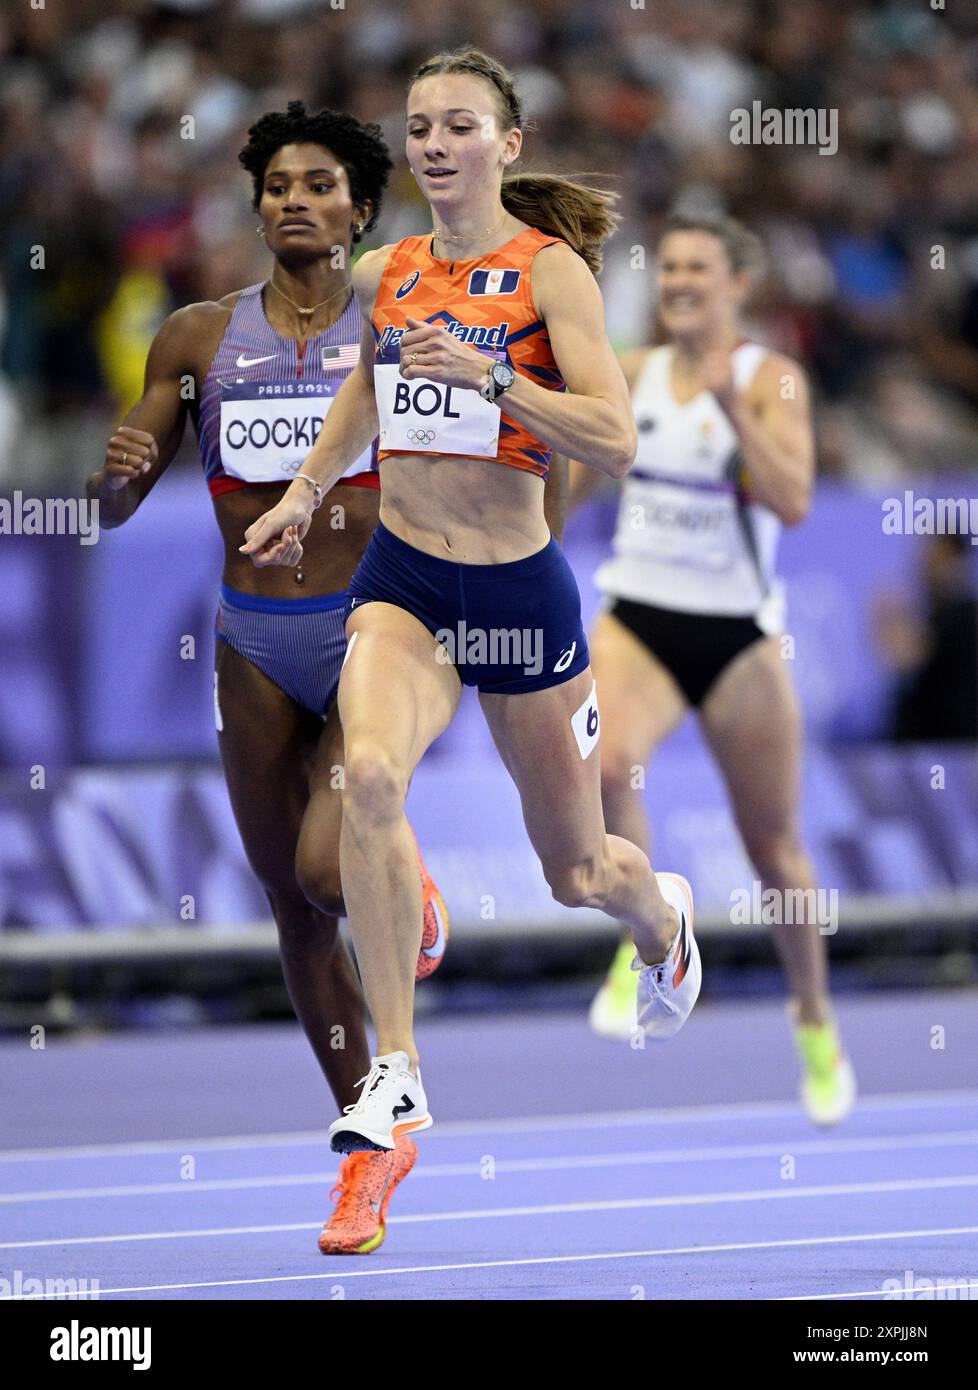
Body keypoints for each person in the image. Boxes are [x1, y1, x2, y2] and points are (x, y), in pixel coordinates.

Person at [241, 47, 700, 1154]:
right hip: (403, 579)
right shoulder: (385, 268)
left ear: (509, 144)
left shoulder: (552, 276)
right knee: (373, 781)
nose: (436, 145)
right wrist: (307, 490)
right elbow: (366, 384)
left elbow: (618, 439)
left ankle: (664, 925)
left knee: (577, 869)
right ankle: (396, 1070)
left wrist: (493, 378)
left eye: (459, 126)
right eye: (421, 127)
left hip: (518, 593)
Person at [86, 102, 451, 1253]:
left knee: (322, 864)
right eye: (278, 184)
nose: (294, 199)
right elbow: (113, 499)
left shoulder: (397, 323)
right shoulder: (197, 339)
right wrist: (119, 472)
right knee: (295, 920)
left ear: (359, 211)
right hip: (251, 645)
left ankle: (409, 889)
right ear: (257, 207)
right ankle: (366, 1146)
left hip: (374, 631)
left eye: (320, 185)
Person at [574, 212, 856, 1126]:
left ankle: (812, 1017)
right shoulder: (633, 371)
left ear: (739, 282)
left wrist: (734, 405)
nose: (681, 281)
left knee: (776, 849)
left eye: (700, 268)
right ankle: (649, 929)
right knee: (608, 764)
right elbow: (575, 482)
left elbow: (796, 500)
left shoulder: (773, 378)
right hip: (641, 616)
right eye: (671, 269)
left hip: (737, 633)